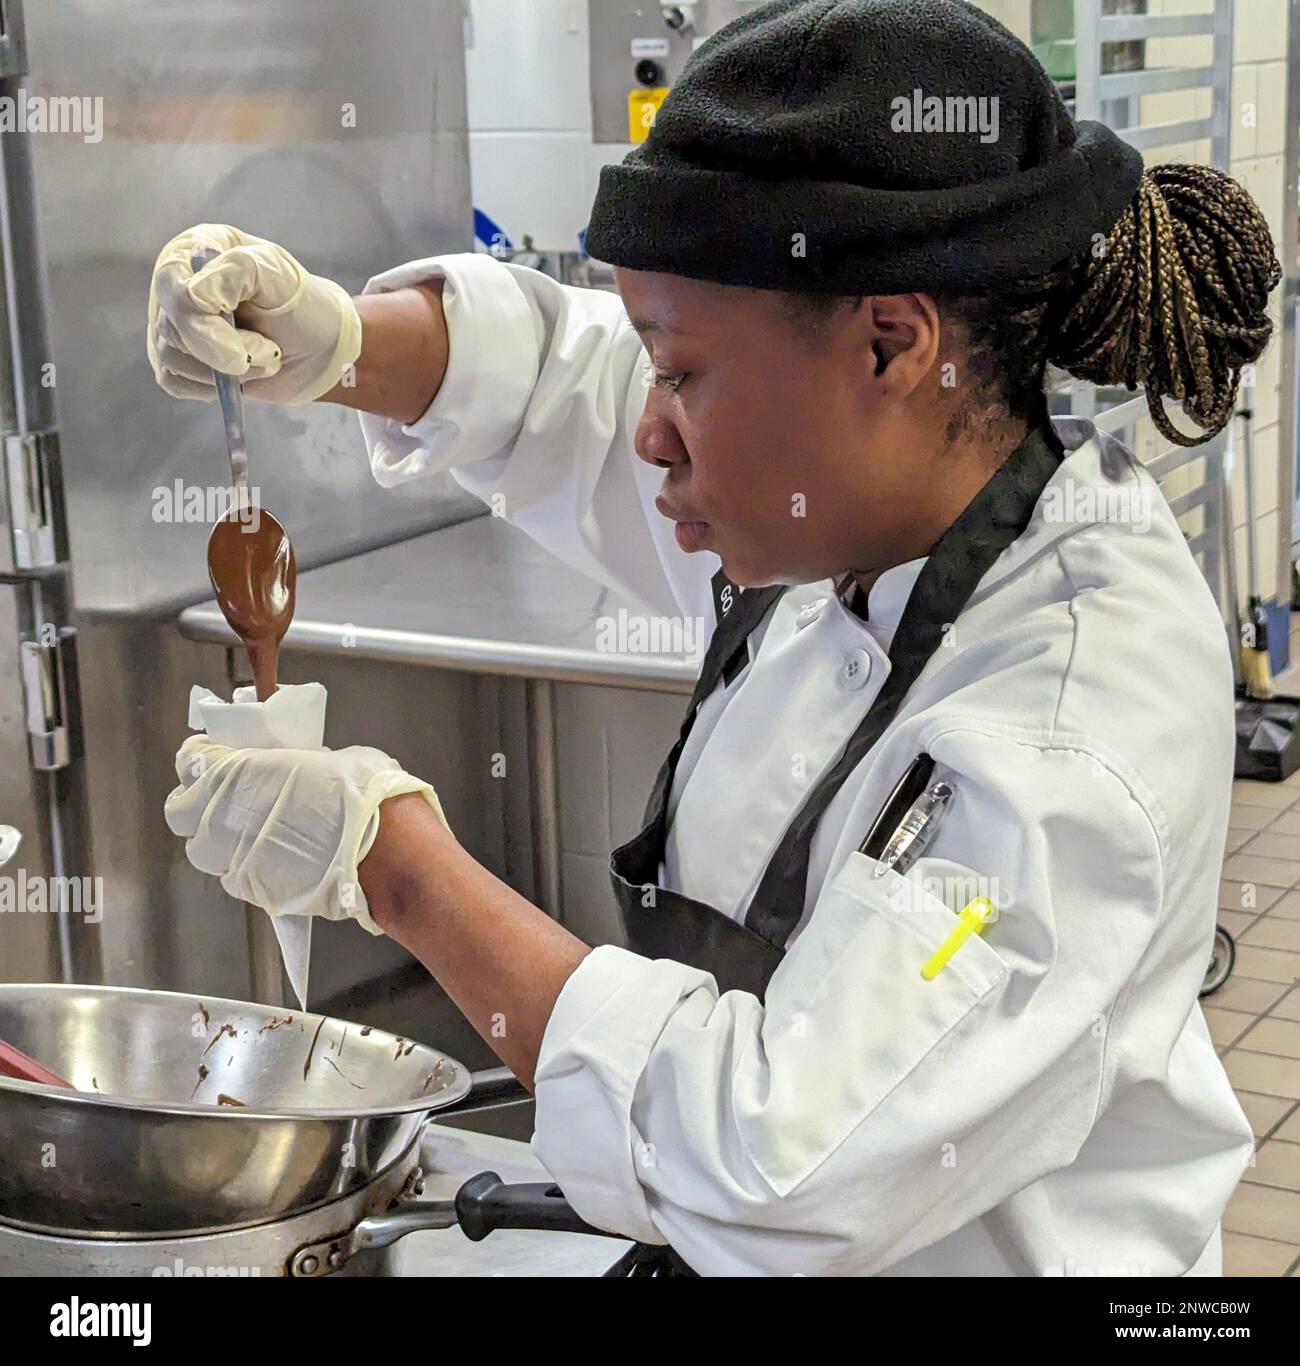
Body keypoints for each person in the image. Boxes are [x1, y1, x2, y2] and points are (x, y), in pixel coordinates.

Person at [149, 0, 1280, 1276]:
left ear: (891, 343)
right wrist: (340, 345)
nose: (650, 431)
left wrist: (392, 863)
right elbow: (560, 388)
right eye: (654, 367)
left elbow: (772, 1162)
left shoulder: (1064, 733)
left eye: (681, 376)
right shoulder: (841, 505)